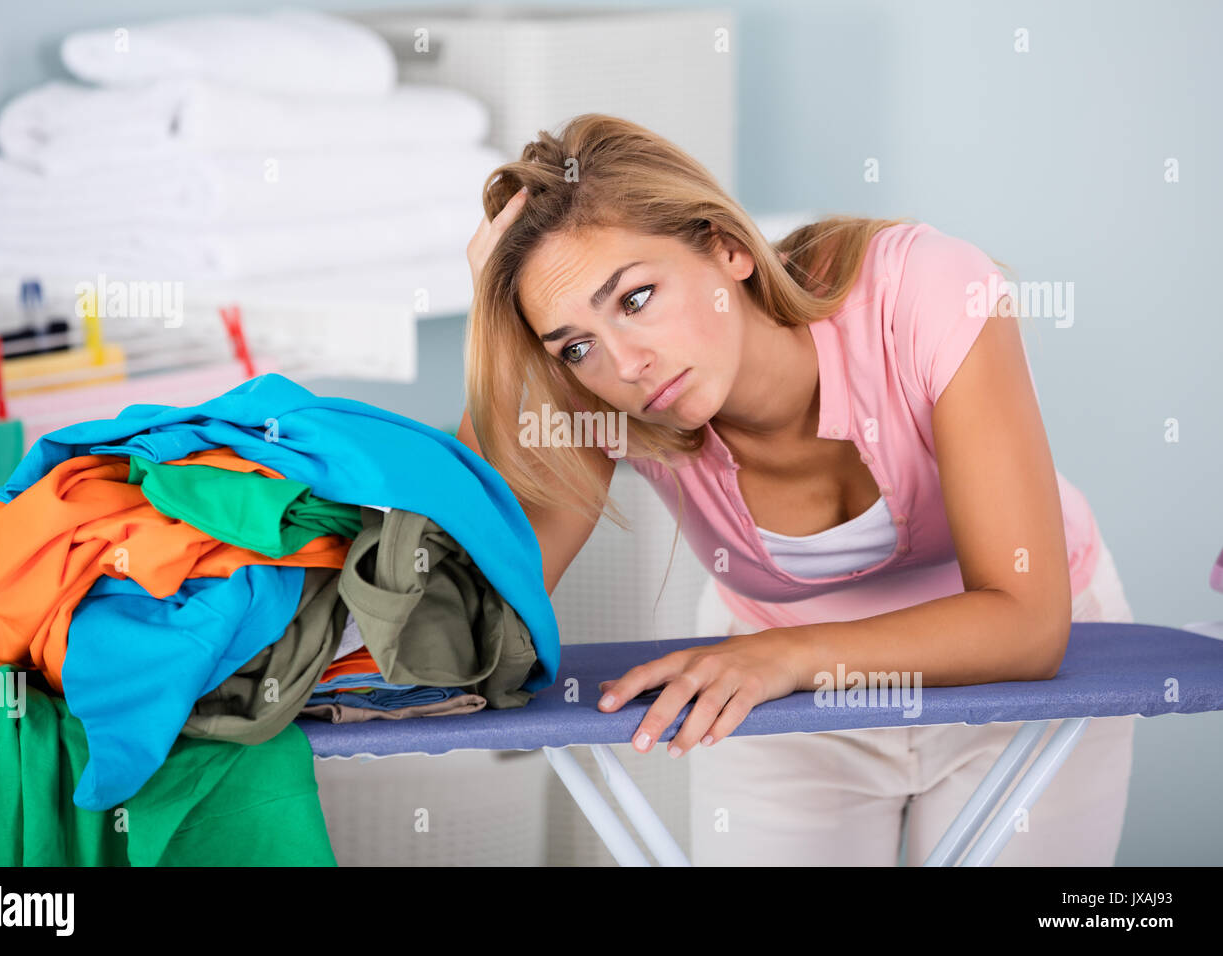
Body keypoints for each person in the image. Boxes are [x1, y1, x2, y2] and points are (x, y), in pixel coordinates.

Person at [455, 113, 1136, 866]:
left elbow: (1026, 624)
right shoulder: (604, 400)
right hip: (784, 698)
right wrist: (499, 340)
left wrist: (784, 654)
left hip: (1005, 683)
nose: (625, 364)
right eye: (576, 345)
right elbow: (470, 615)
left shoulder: (925, 289)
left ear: (728, 248)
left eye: (637, 298)